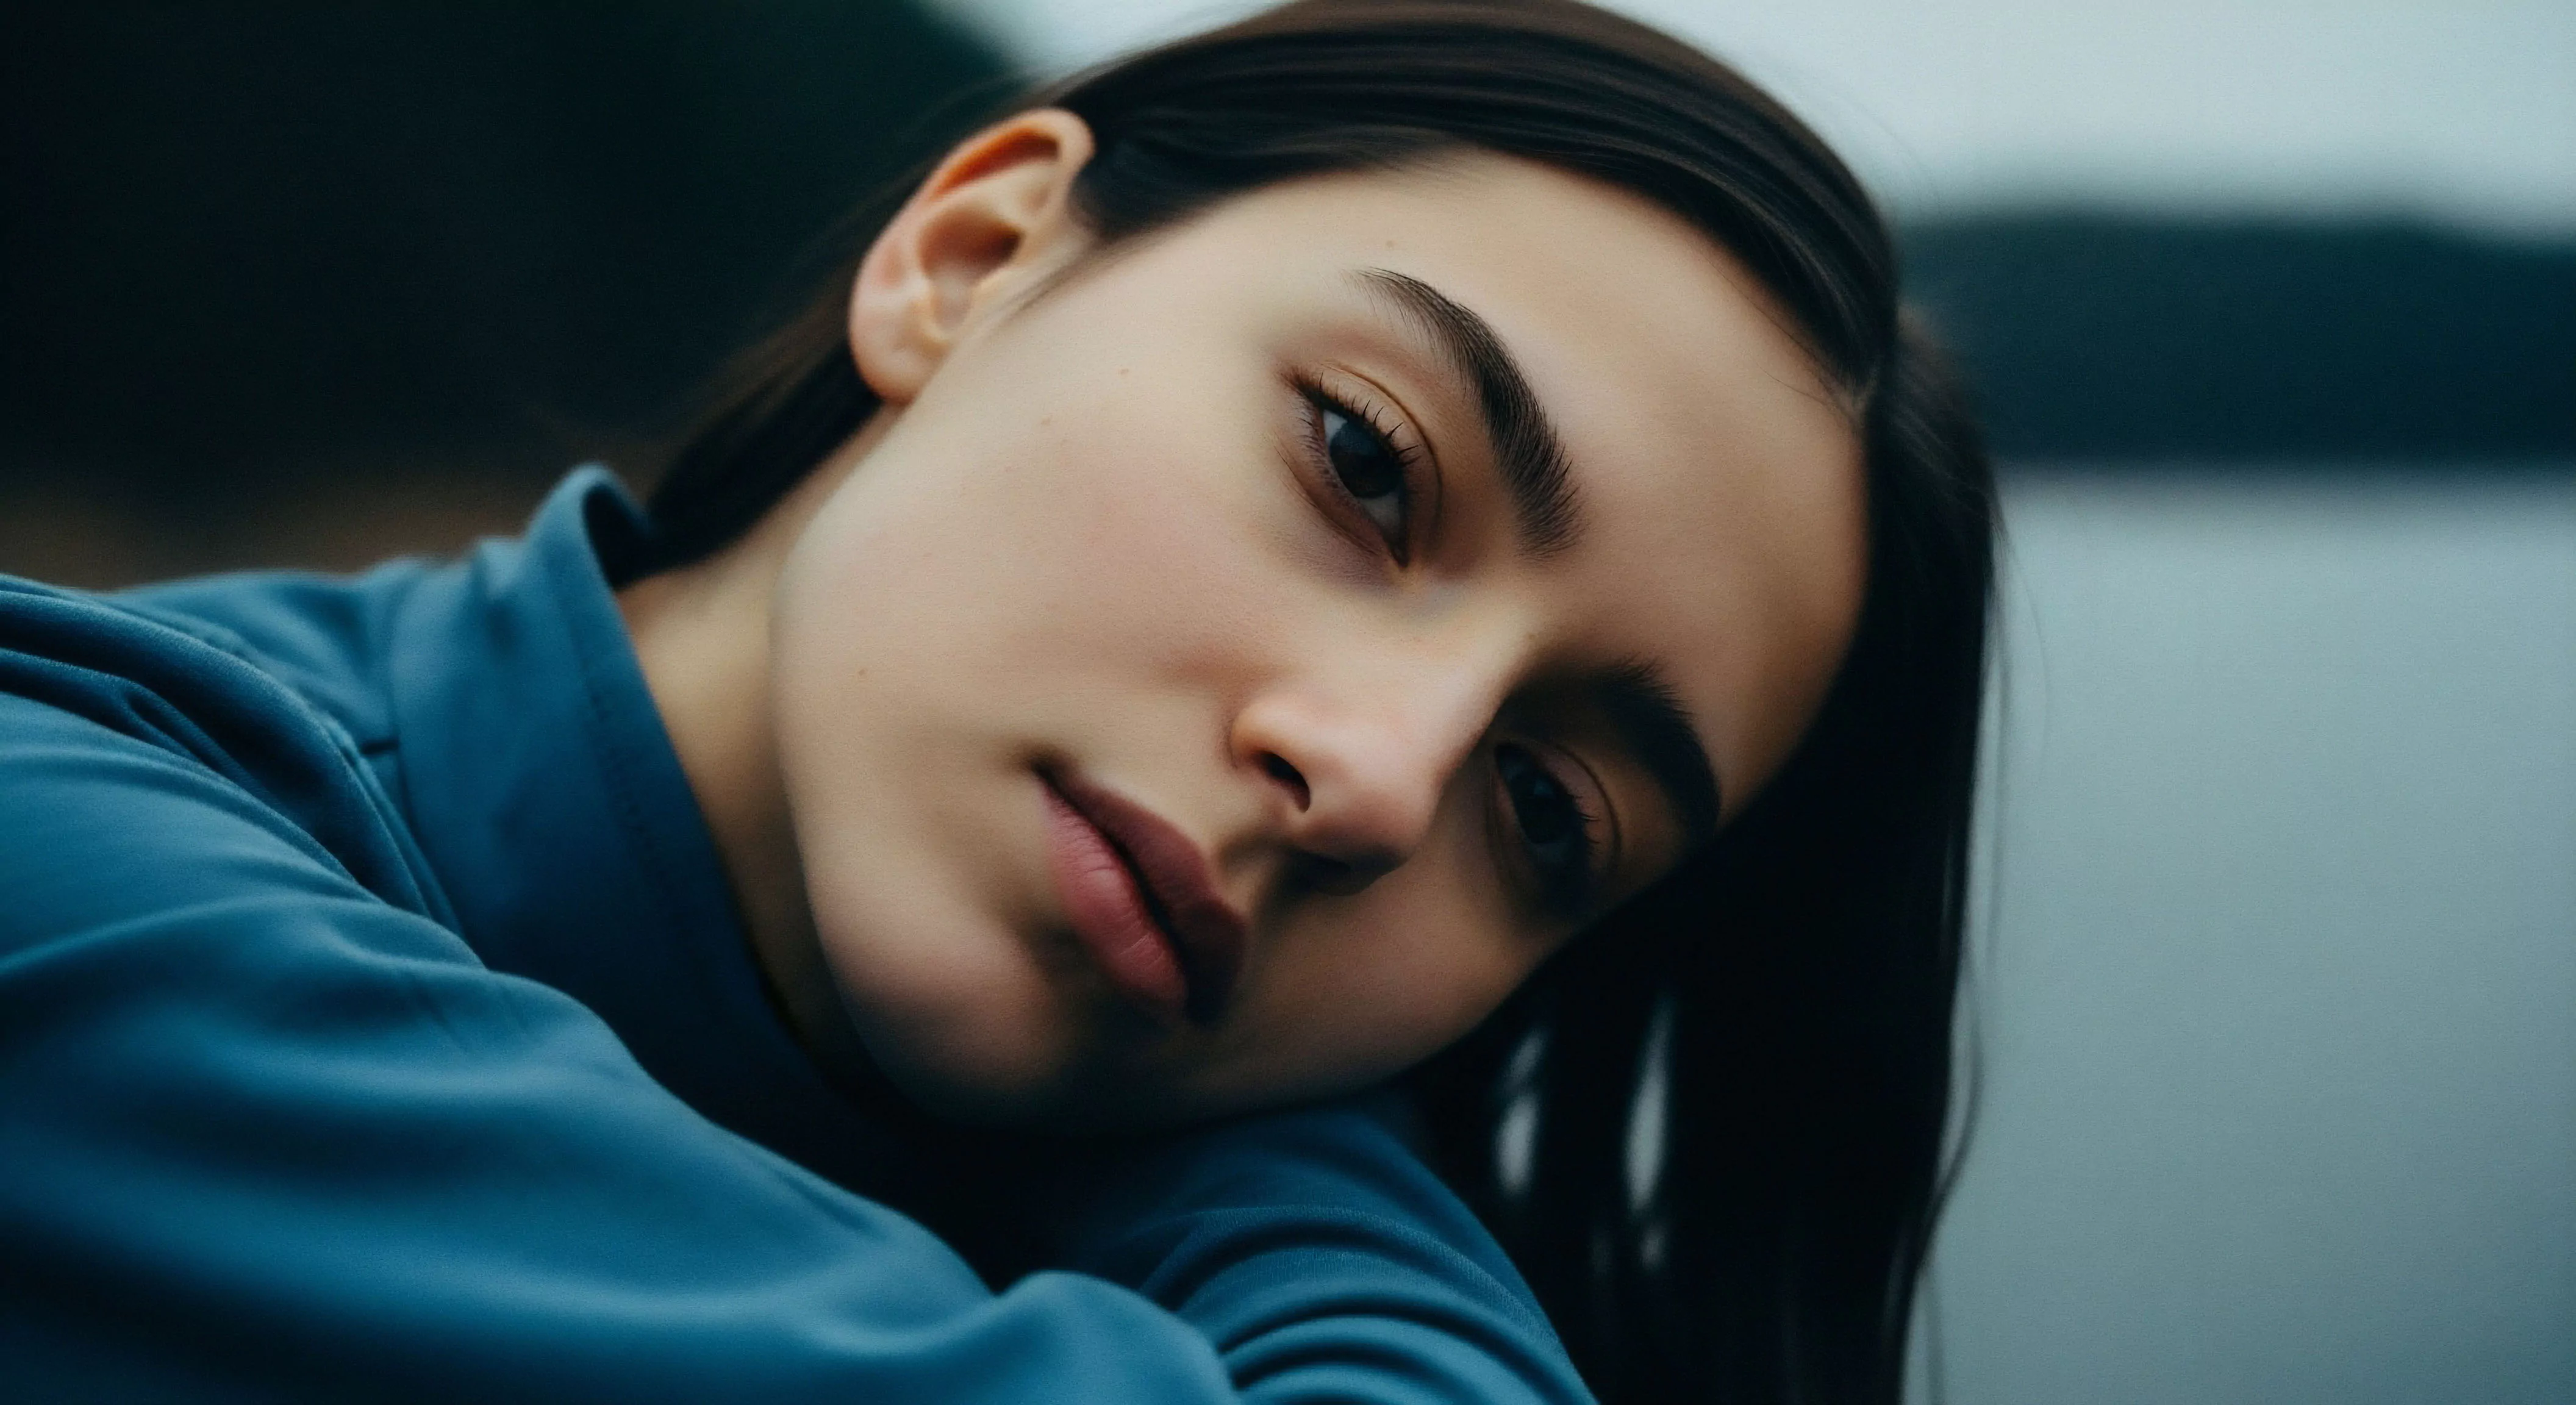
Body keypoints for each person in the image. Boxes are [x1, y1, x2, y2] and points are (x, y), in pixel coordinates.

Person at [0, 0, 1993, 1400]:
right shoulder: (63, 848)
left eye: (1548, 813)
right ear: (972, 259)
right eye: (1365, 464)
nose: (1380, 783)